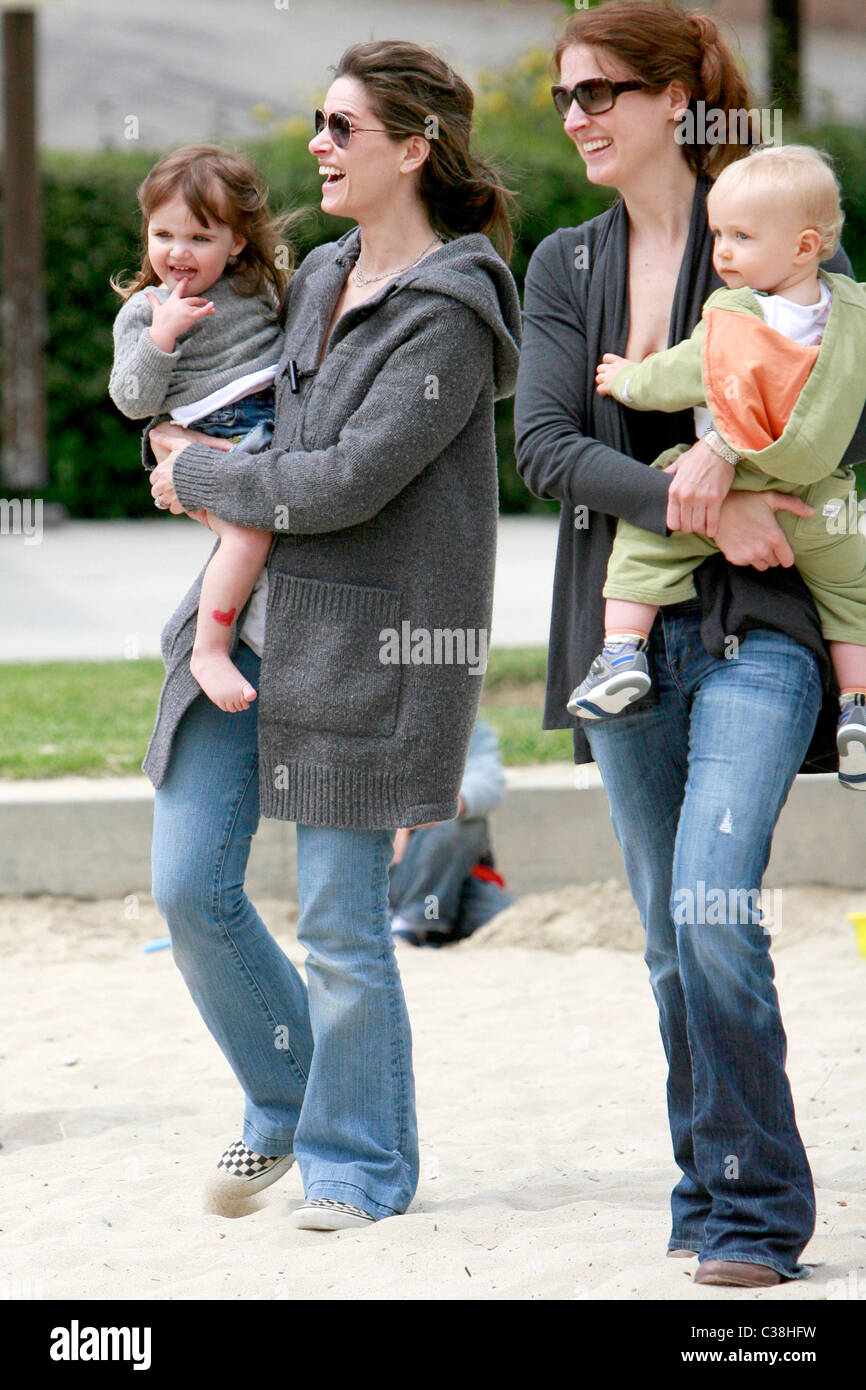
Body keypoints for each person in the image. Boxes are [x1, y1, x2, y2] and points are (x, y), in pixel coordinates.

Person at [515, 0, 866, 1286]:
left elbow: (840, 423)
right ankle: (708, 1181)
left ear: (678, 99)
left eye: (600, 91)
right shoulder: (561, 264)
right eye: (564, 97)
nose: (576, 118)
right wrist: (706, 505)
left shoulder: (777, 235)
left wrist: (784, 506)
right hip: (620, 638)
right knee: (668, 935)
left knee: (713, 910)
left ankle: (750, 1216)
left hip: (764, 635)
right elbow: (546, 446)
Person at [143, 41, 521, 1231]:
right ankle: (281, 1093)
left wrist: (200, 470)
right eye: (317, 120)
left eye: (341, 127)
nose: (315, 143)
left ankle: (354, 1166)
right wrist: (194, 444)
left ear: (413, 148)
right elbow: (241, 422)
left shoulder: (453, 315)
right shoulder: (316, 277)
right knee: (187, 888)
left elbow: (346, 480)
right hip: (250, 622)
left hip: (370, 654)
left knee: (343, 927)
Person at [569, 144, 866, 790]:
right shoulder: (852, 314)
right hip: (821, 499)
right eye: (716, 235)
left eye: (739, 236)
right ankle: (858, 705)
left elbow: (677, 378)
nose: (721, 252)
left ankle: (620, 655)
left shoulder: (736, 316)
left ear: (803, 245)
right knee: (852, 597)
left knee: (645, 544)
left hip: (734, 486)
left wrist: (625, 379)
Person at [110, 145, 289, 713]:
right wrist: (161, 337)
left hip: (273, 430)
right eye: (163, 236)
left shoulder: (255, 288)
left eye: (200, 239)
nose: (178, 253)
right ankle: (208, 649)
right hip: (214, 437)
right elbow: (132, 401)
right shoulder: (146, 309)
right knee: (247, 535)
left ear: (237, 241)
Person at [389, 718, 513, 946]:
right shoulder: (378, 723)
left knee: (503, 918)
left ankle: (420, 925)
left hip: (449, 883)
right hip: (393, 871)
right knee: (459, 823)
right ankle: (414, 923)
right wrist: (392, 818)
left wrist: (429, 811)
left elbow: (489, 782)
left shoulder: (466, 726)